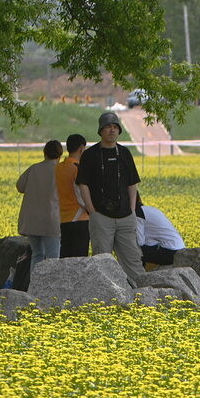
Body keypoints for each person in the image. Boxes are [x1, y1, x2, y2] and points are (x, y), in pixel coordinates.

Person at [76, 111, 144, 284]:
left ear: (119, 131)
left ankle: (142, 294)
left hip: (126, 217)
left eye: (115, 127)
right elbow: (83, 184)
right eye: (107, 127)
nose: (111, 131)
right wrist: (92, 211)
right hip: (101, 217)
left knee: (133, 259)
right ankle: (104, 296)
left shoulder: (125, 153)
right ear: (100, 131)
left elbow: (132, 184)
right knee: (102, 261)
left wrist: (131, 209)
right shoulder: (90, 155)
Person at [16, 139, 63, 269]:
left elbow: (20, 186)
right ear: (60, 154)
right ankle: (50, 287)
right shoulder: (59, 170)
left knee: (37, 254)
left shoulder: (34, 169)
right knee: (53, 257)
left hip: (31, 221)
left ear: (44, 153)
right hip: (51, 220)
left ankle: (34, 286)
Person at [56, 134, 90, 257]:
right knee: (79, 260)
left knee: (65, 257)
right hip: (80, 218)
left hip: (62, 218)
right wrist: (91, 210)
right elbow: (81, 195)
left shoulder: (58, 168)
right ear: (81, 149)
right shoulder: (78, 168)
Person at [134, 197, 186, 266]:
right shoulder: (149, 209)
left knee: (132, 249)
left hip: (170, 252)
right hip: (179, 248)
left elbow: (140, 242)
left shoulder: (138, 213)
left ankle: (139, 275)